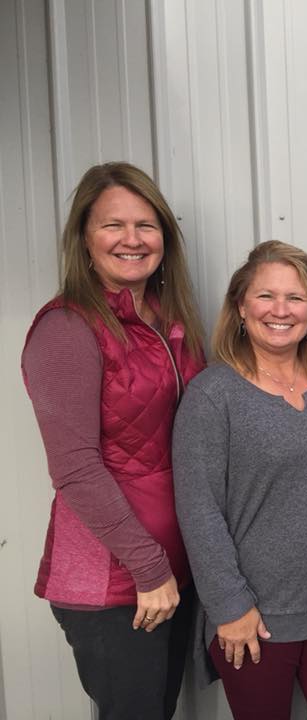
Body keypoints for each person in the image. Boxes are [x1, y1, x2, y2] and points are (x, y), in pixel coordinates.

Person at [172, 240, 307, 720]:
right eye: (265, 296)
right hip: (253, 621)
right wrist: (230, 607)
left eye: (295, 298)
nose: (281, 310)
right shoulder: (212, 396)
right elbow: (198, 509)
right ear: (240, 307)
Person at [20, 162, 206, 719]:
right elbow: (75, 467)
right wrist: (149, 569)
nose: (132, 239)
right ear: (84, 237)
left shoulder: (171, 321)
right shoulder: (67, 328)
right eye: (113, 225)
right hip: (116, 585)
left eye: (146, 225)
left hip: (173, 573)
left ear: (164, 239)